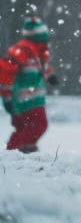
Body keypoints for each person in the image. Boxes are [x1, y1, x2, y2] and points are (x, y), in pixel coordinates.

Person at [0, 17, 58, 152]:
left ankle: (24, 151)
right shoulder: (23, 50)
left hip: (29, 100)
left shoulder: (36, 51)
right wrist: (7, 97)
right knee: (39, 125)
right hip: (24, 100)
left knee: (24, 128)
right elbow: (4, 72)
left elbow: (39, 67)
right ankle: (14, 151)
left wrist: (49, 76)